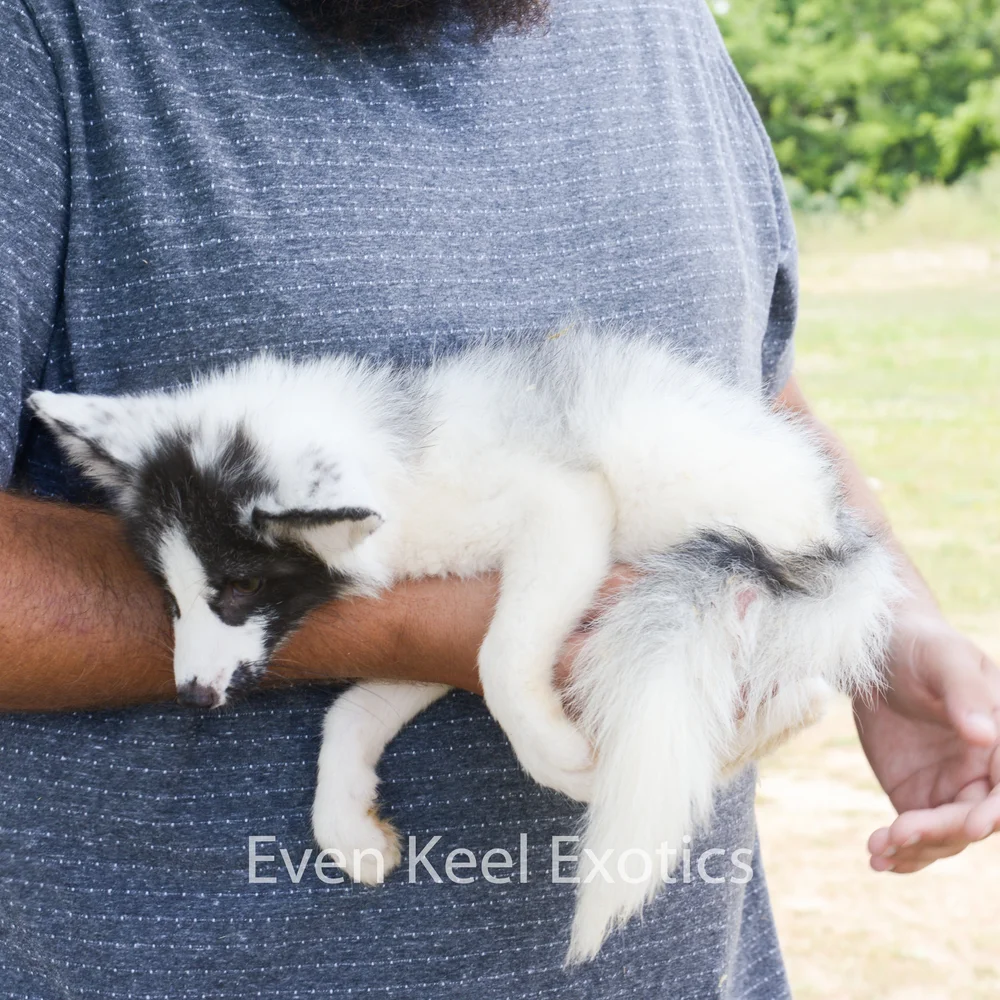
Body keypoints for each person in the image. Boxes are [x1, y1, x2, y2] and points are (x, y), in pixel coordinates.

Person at [0, 0, 997, 996]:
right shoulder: (50, 35)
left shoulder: (667, 23)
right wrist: (434, 626)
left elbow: (753, 385)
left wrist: (884, 628)